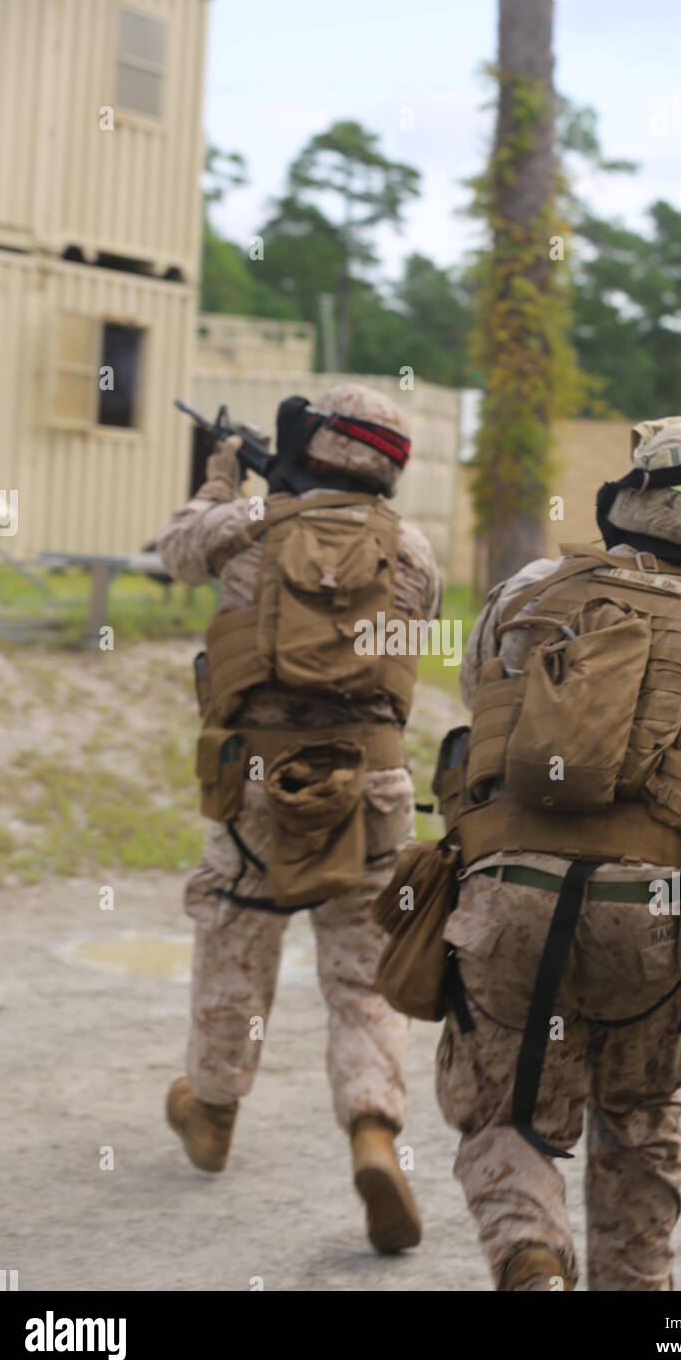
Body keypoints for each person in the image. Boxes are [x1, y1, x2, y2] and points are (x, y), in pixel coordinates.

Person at [435, 412, 681, 1290]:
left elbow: (479, 696)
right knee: (638, 1116)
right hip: (653, 927)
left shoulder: (527, 590)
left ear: (630, 500)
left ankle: (530, 1253)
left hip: (506, 899)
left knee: (504, 1109)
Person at [158, 382, 441, 1254]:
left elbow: (176, 553)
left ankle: (211, 1110)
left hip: (259, 783)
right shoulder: (415, 554)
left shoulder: (245, 526)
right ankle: (372, 1131)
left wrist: (222, 483)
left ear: (311, 442)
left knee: (236, 940)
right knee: (361, 977)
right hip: (373, 785)